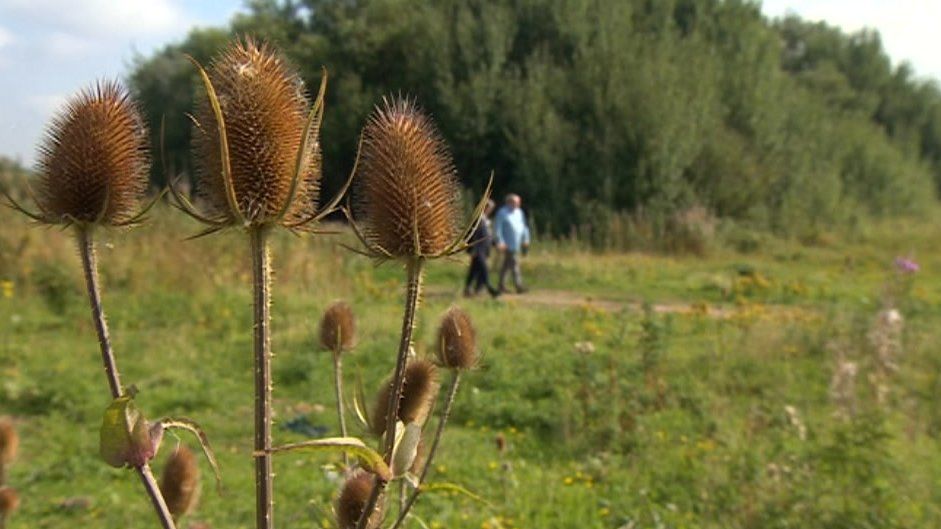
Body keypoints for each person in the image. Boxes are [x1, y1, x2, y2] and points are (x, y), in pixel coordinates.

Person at [493, 193, 531, 294]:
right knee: (514, 264)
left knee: (506, 265)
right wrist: (500, 242)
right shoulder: (502, 213)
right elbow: (498, 228)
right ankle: (519, 286)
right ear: (508, 202)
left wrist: (526, 239)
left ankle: (501, 285)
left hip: (517, 243)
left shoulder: (519, 212)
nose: (517, 204)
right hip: (507, 244)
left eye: (518, 202)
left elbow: (523, 226)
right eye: (515, 202)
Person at [463, 199, 499, 298]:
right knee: (484, 270)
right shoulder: (477, 220)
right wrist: (472, 249)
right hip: (477, 250)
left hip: (484, 250)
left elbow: (487, 236)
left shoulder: (485, 220)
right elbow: (472, 235)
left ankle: (469, 289)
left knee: (474, 271)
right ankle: (490, 289)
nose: (490, 210)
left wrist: (495, 244)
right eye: (489, 208)